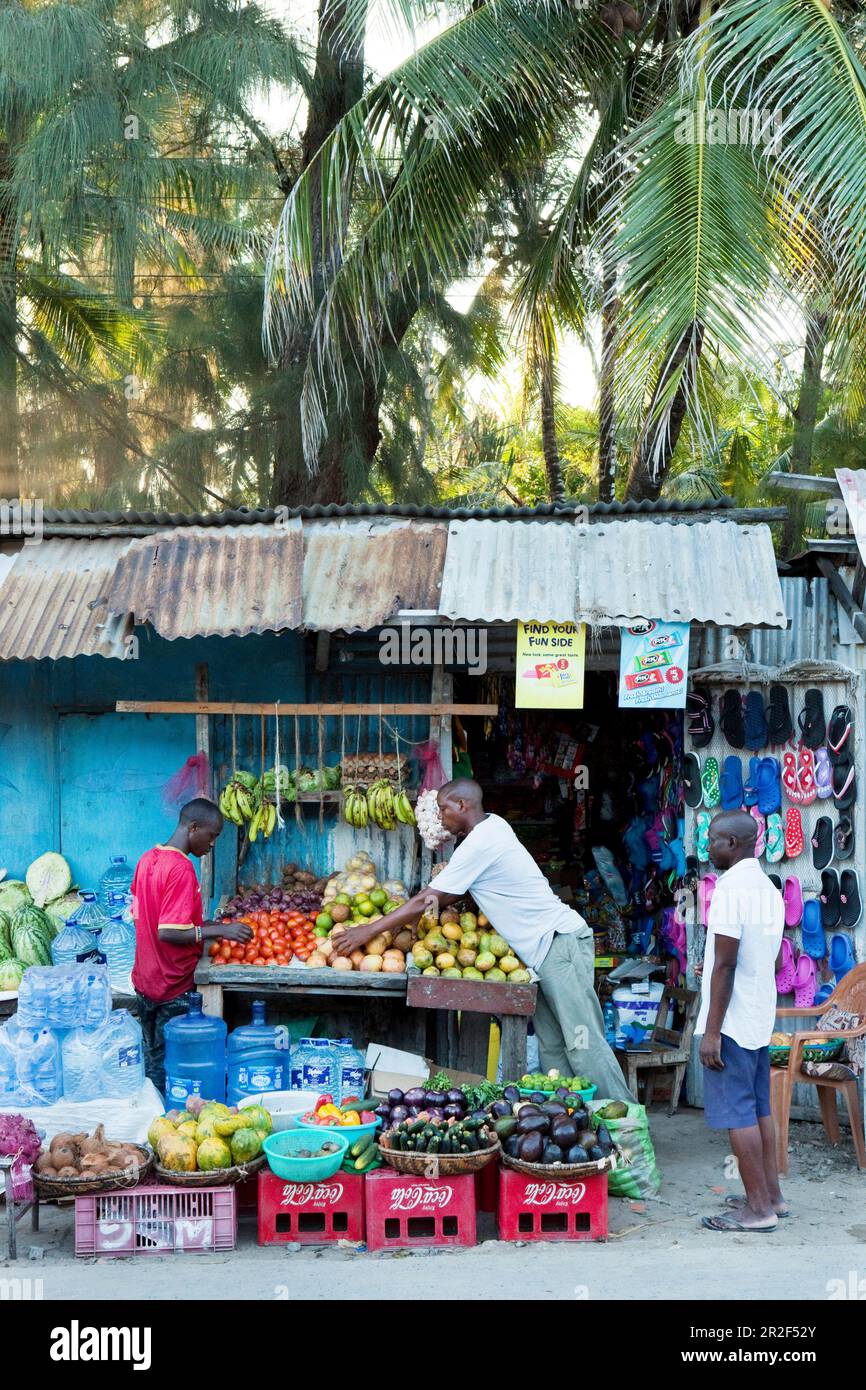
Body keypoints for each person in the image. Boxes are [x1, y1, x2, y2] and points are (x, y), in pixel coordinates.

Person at [334, 778, 633, 1103]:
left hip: (561, 944)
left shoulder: (483, 841)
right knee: (553, 1048)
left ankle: (626, 1126)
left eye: (443, 808)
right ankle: (570, 1123)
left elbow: (428, 899)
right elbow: (446, 897)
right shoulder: (492, 827)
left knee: (583, 1042)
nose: (440, 816)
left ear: (462, 806)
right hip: (543, 955)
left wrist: (369, 930)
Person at [697, 810, 786, 1233]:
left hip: (731, 1019)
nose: (707, 846)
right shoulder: (768, 886)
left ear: (733, 844)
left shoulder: (731, 890)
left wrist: (712, 1030)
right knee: (758, 1108)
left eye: (712, 839)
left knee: (738, 1114)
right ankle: (772, 1196)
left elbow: (725, 965)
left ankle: (757, 1210)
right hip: (756, 1011)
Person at [131, 798, 252, 1086]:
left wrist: (205, 926)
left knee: (154, 1062)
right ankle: (167, 1120)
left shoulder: (147, 859)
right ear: (193, 828)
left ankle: (156, 1114)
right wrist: (220, 932)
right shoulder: (182, 869)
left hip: (145, 981)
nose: (212, 845)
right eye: (212, 837)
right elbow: (168, 932)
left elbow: (147, 915)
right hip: (172, 985)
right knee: (176, 1069)